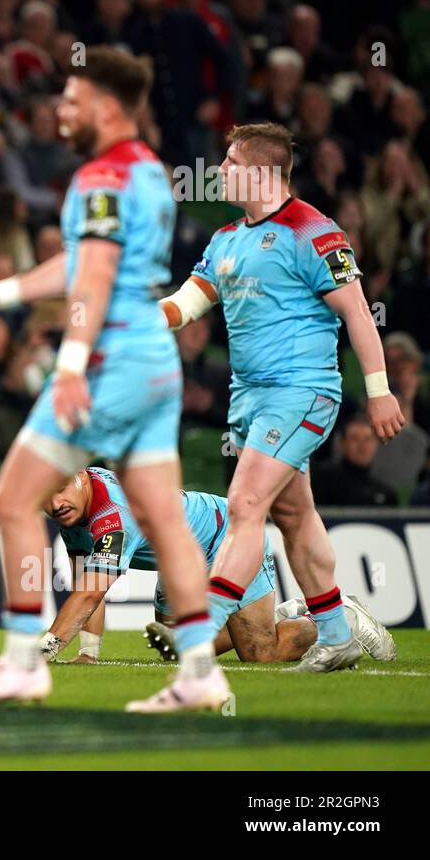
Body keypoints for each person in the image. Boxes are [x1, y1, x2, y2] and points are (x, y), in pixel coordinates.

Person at [0, 47, 227, 711]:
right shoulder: (149, 171)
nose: (59, 111)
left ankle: (20, 664)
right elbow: (81, 258)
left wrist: (70, 366)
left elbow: (92, 276)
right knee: (165, 517)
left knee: (14, 497)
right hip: (158, 363)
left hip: (111, 361)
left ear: (107, 107)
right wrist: (2, 292)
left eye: (72, 100)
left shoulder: (99, 175)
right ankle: (200, 673)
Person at [158, 122, 405, 673]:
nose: (219, 171)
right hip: (248, 397)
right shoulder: (225, 239)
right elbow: (187, 304)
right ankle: (338, 635)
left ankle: (199, 629)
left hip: (303, 392)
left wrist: (380, 391)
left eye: (229, 161)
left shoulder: (313, 231)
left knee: (246, 504)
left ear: (262, 172)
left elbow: (359, 314)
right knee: (295, 514)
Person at [41, 467, 396, 665]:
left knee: (261, 654)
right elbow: (86, 584)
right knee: (177, 649)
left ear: (80, 476)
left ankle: (337, 617)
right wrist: (88, 654)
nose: (55, 504)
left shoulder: (112, 514)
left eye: (60, 489)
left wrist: (47, 647)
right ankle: (272, 616)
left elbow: (90, 593)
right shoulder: (73, 511)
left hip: (226, 535)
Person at [311, 414, 399, 507]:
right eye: (354, 439)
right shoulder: (323, 480)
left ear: (376, 444)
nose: (362, 447)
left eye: (368, 439)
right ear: (342, 443)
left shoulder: (387, 492)